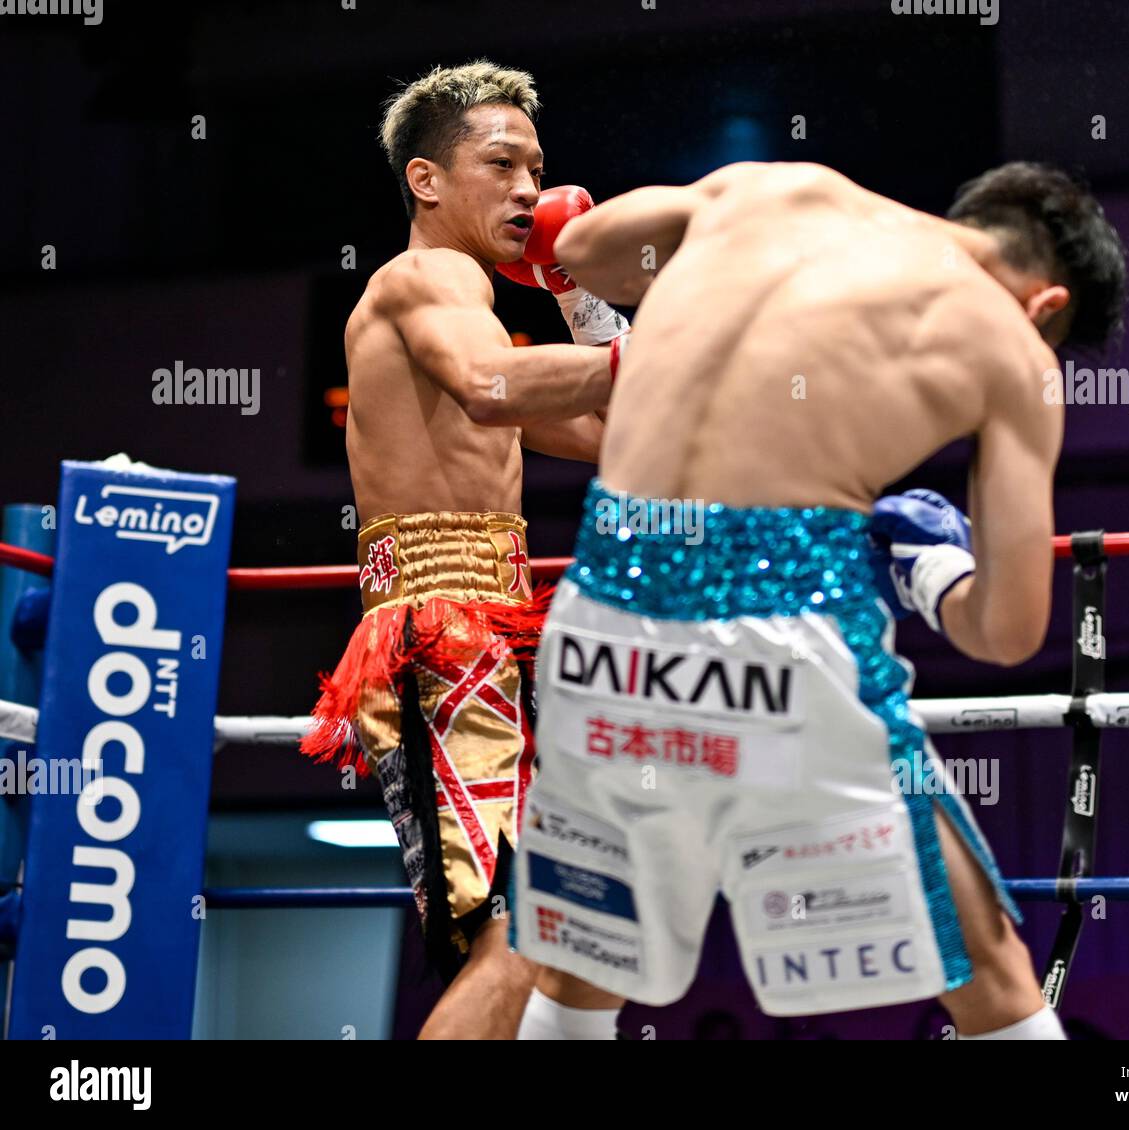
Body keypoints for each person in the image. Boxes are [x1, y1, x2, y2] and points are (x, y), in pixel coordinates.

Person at [511, 159, 1127, 1040]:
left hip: (599, 616)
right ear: (1045, 304)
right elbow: (1008, 630)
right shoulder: (1012, 348)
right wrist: (932, 570)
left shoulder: (776, 188)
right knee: (986, 969)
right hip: (787, 640)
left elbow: (579, 244)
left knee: (583, 967)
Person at [300, 60, 626, 1040]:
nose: (530, 189)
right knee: (521, 934)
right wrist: (671, 345)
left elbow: (625, 439)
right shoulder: (423, 277)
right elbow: (494, 385)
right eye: (501, 164)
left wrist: (579, 292)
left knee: (567, 929)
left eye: (538, 167)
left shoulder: (469, 314)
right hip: (442, 635)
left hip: (491, 631)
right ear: (427, 180)